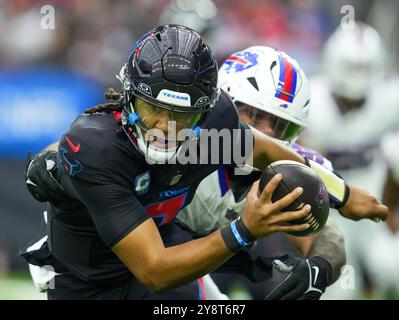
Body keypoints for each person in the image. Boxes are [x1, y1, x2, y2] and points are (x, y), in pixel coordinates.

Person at [23, 25, 388, 300]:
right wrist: (50, 158)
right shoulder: (104, 147)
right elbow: (88, 144)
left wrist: (339, 199)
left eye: (278, 124)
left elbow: (282, 172)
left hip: (186, 256)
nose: (166, 129)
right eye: (251, 113)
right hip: (98, 276)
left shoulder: (214, 131)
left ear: (207, 108)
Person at [176, 45, 385, 299]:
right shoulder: (185, 142)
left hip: (199, 262)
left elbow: (327, 235)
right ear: (223, 103)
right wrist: (344, 193)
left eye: (281, 125)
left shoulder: (285, 169)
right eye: (254, 114)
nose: (269, 133)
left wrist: (319, 267)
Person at [301, 21, 399, 299]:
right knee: (339, 289)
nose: (358, 76)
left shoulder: (389, 98)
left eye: (364, 67)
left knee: (391, 265)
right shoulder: (312, 101)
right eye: (352, 67)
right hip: (327, 201)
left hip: (373, 191)